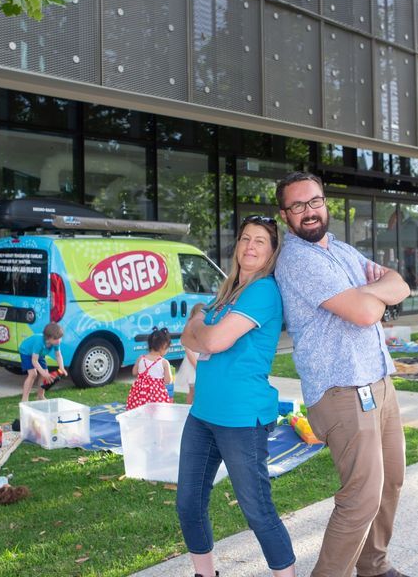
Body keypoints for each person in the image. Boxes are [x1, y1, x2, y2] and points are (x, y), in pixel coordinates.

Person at [274, 172, 410, 577]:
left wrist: (367, 293)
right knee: (361, 497)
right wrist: (373, 295)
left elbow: (400, 284)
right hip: (343, 390)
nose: (309, 211)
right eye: (297, 205)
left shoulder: (342, 249)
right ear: (284, 215)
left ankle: (373, 565)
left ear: (325, 203)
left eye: (314, 201)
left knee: (391, 482)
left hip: (379, 381)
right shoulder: (298, 260)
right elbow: (366, 313)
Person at [177, 215, 295, 577]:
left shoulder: (263, 291)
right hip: (203, 414)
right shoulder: (228, 292)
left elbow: (209, 340)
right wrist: (200, 328)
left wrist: (199, 322)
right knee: (188, 504)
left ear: (272, 253)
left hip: (242, 418)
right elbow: (185, 339)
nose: (250, 246)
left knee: (257, 510)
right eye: (245, 238)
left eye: (260, 241)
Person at [126, 328, 173, 410]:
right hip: (156, 395)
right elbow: (168, 381)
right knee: (156, 412)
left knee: (139, 411)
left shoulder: (141, 358)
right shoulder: (164, 362)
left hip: (140, 393)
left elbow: (134, 372)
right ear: (164, 346)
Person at [19, 322, 66, 403]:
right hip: (26, 352)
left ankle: (40, 396)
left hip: (39, 354)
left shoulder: (56, 343)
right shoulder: (39, 342)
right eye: (56, 338)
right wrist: (44, 374)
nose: (59, 340)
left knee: (44, 373)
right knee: (33, 374)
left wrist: (61, 368)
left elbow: (58, 355)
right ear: (48, 338)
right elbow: (34, 361)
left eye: (60, 338)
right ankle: (24, 399)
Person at [174, 306, 202, 405]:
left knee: (199, 390)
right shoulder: (189, 329)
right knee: (193, 390)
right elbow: (188, 350)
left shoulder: (203, 328)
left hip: (200, 361)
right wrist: (196, 365)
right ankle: (188, 407)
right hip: (192, 364)